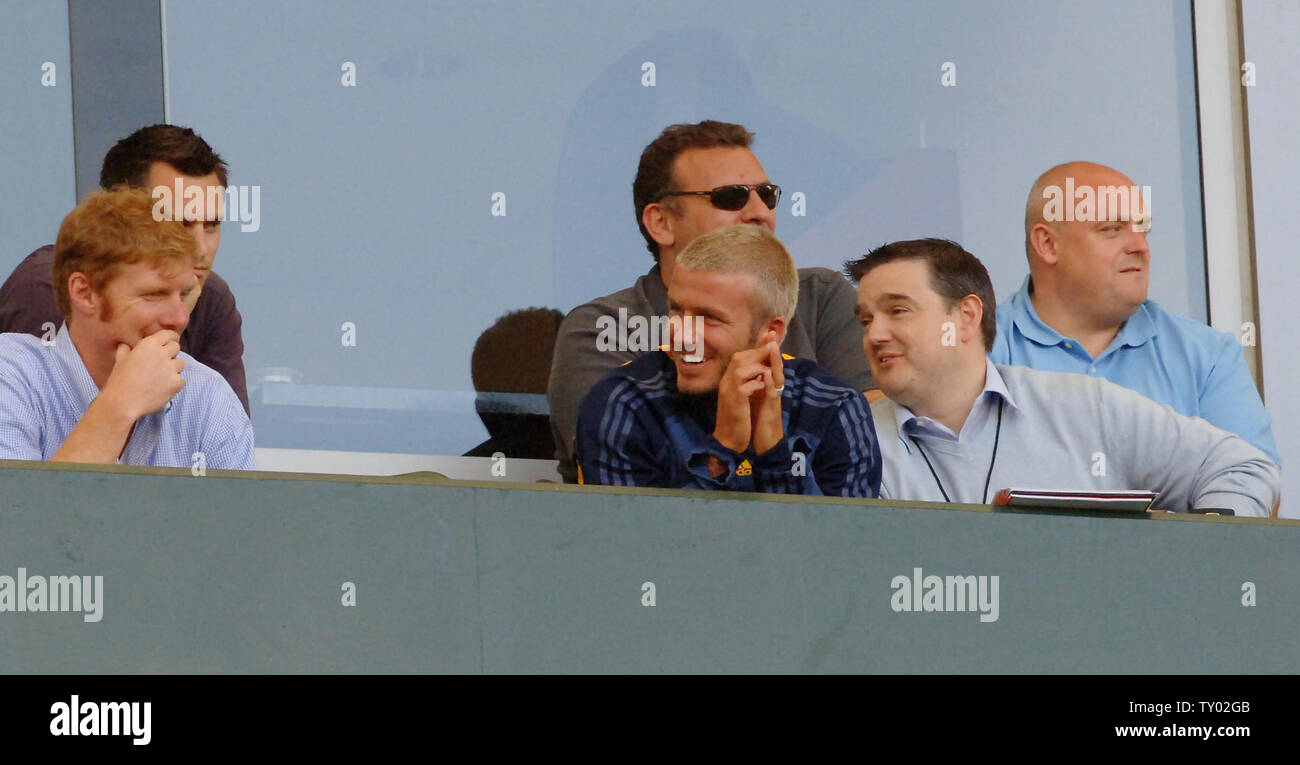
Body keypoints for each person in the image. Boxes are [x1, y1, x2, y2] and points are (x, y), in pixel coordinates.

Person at [847, 238, 1278, 516]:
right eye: (866, 320)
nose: (874, 334)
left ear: (966, 317)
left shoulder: (1084, 407)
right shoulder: (850, 442)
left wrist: (1203, 557)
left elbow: (1242, 467)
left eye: (897, 311)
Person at [549, 120, 872, 481]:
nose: (760, 212)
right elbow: (621, 468)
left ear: (775, 328)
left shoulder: (822, 295)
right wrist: (726, 448)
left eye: (767, 195)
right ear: (661, 222)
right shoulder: (601, 328)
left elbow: (866, 445)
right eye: (731, 197)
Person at [990, 161, 1278, 464]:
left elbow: (1253, 480)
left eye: (1143, 230)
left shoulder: (1207, 357)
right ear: (1048, 244)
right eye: (1112, 229)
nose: (1141, 246)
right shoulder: (979, 354)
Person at [575, 225, 880, 495]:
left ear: (771, 332)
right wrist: (723, 450)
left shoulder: (833, 406)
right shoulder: (624, 401)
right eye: (677, 310)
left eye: (709, 318)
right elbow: (630, 538)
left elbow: (840, 540)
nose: (682, 335)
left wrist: (775, 452)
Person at [0, 124, 249, 414]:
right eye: (180, 223)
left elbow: (223, 430)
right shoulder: (48, 287)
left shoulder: (213, 297)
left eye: (211, 225)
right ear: (123, 213)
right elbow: (54, 430)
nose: (201, 249)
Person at [0, 188, 255, 469]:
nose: (180, 318)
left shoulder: (207, 396)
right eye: (154, 295)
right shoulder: (12, 374)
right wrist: (119, 405)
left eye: (184, 295)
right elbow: (17, 499)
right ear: (85, 293)